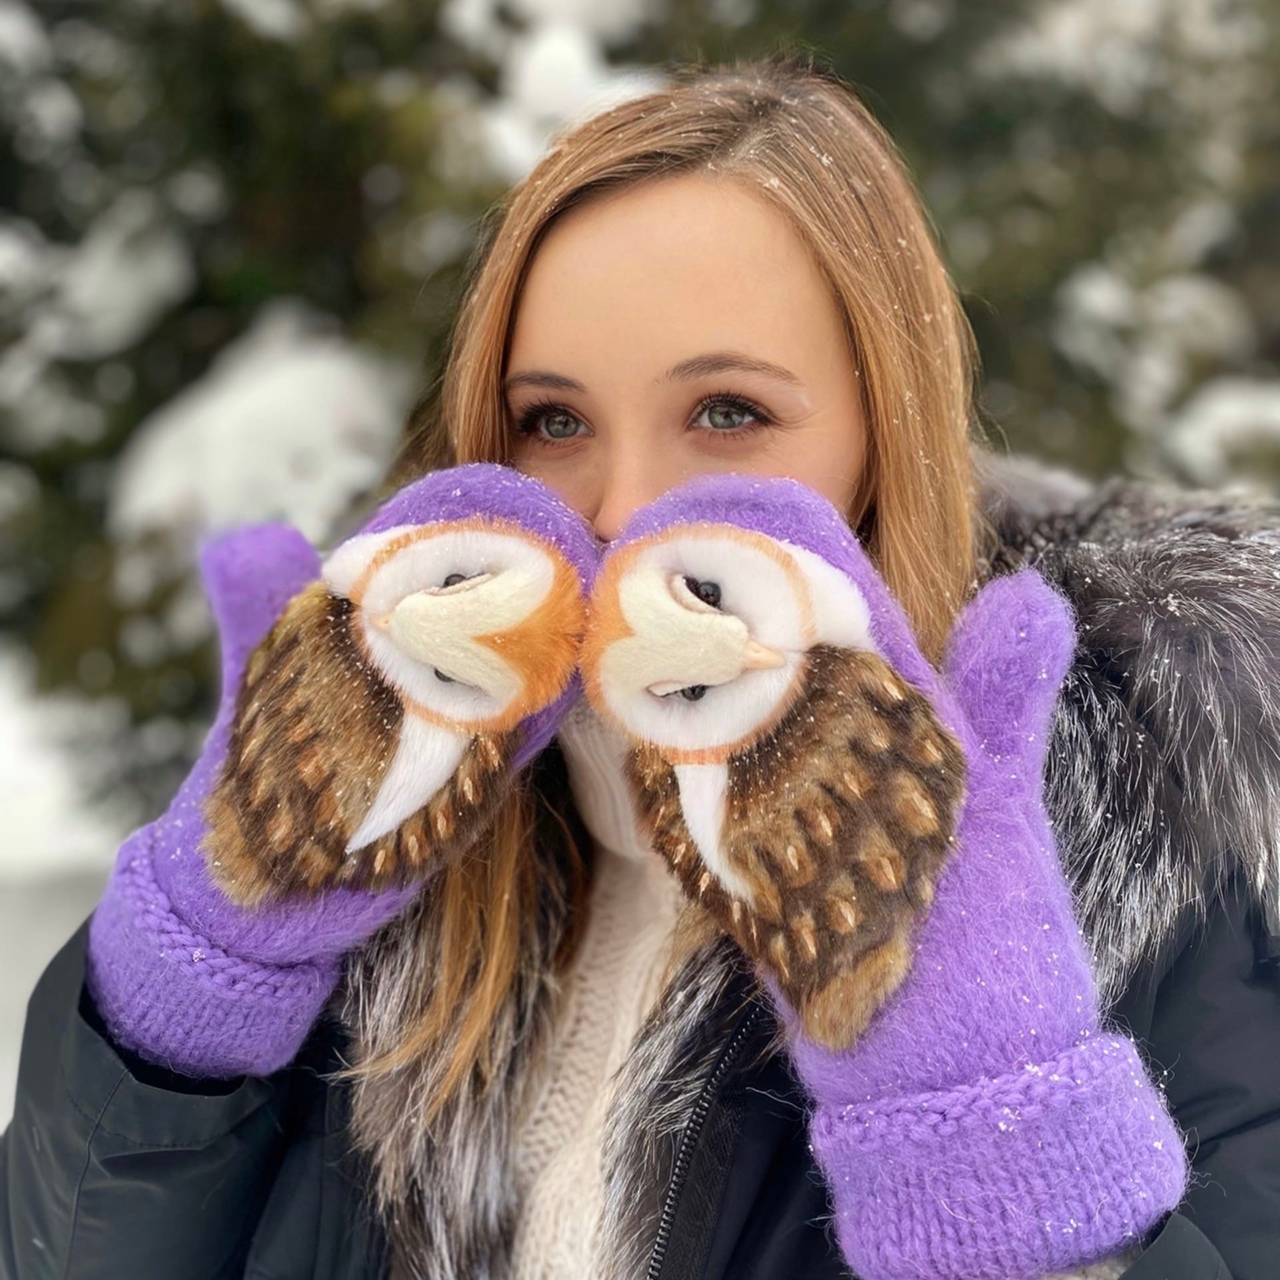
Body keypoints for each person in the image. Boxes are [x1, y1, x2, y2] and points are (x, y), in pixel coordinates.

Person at [3, 55, 1278, 1280]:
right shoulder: (372, 807)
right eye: (553, 419)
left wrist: (984, 1133)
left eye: (726, 411)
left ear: (884, 436)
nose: (621, 506)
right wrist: (192, 977)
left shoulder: (1154, 874)